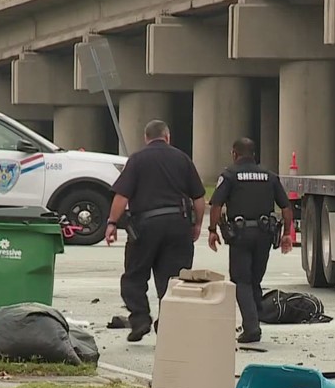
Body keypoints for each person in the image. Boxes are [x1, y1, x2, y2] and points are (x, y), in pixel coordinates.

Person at [106, 120, 207, 342]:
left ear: (146, 138)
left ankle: (141, 319)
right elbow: (199, 198)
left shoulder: (137, 160)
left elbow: (122, 196)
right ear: (167, 137)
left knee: (134, 276)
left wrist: (112, 223)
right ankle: (169, 323)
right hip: (178, 225)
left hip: (145, 226)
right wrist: (197, 224)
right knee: (173, 279)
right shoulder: (182, 159)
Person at [207, 137, 293, 344]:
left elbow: (217, 205)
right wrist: (287, 234)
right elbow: (286, 207)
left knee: (242, 281)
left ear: (234, 154)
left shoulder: (229, 175)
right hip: (265, 234)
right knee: (255, 280)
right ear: (254, 155)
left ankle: (252, 327)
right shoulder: (269, 176)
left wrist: (212, 229)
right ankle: (255, 317)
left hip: (241, 235)